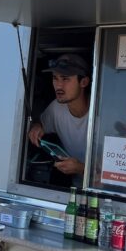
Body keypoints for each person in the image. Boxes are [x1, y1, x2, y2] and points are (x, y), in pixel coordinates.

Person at [28, 54, 91, 182]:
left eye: (65, 79)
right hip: (75, 189)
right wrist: (37, 126)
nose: (58, 85)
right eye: (55, 78)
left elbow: (119, 172)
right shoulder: (56, 108)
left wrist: (82, 168)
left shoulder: (102, 113)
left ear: (84, 82)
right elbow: (40, 122)